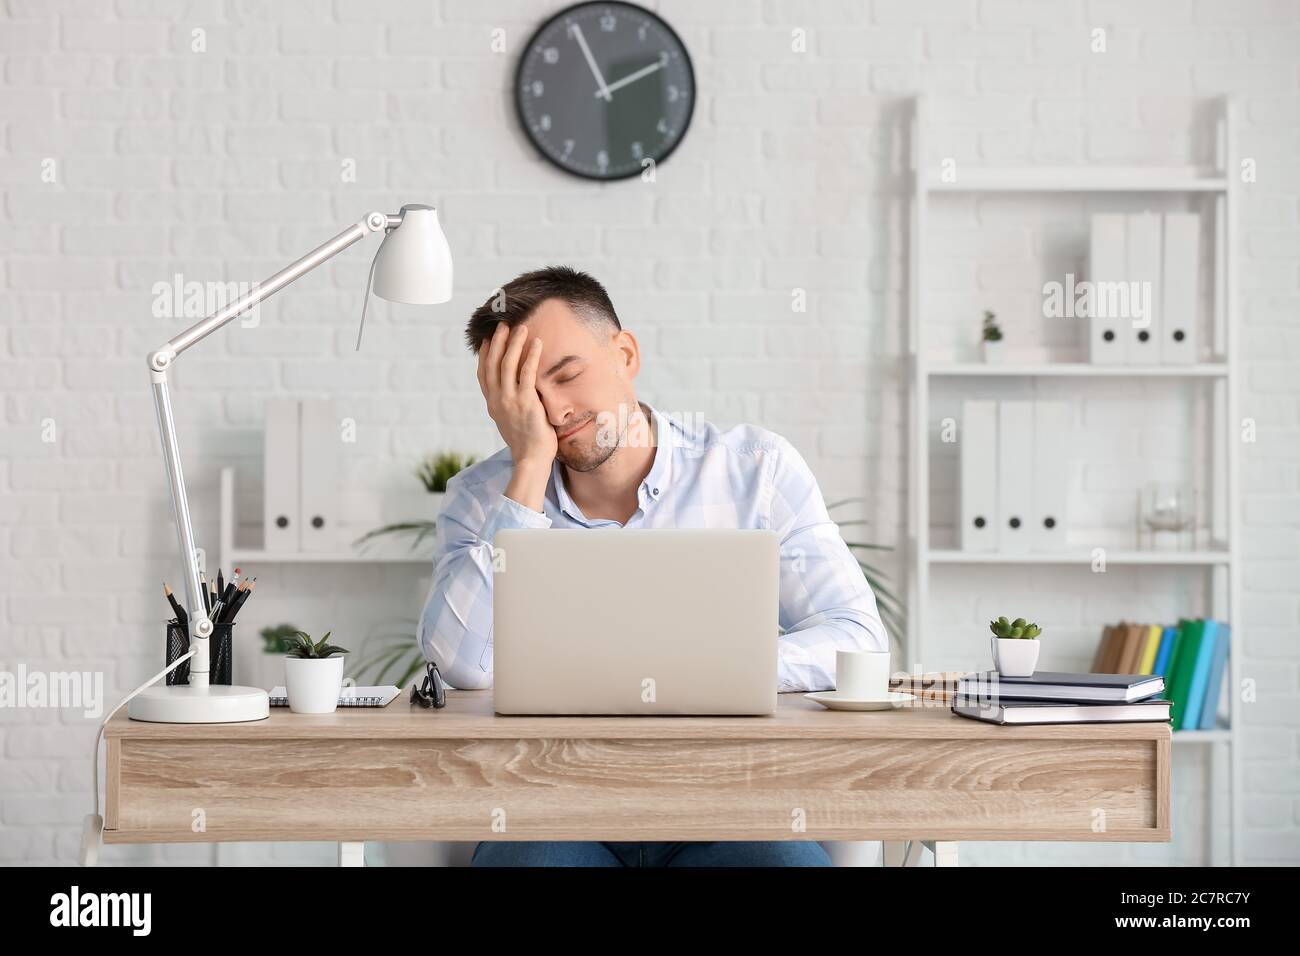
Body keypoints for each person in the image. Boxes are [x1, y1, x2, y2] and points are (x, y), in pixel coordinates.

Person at [417, 266, 887, 867]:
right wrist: (530, 468)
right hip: (549, 808)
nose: (556, 410)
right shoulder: (483, 499)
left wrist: (715, 670)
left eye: (566, 376)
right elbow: (455, 663)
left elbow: (859, 640)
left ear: (626, 353)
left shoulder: (755, 469)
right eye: (528, 397)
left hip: (731, 807)